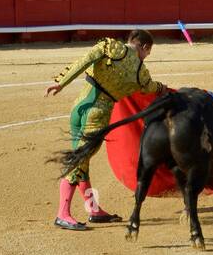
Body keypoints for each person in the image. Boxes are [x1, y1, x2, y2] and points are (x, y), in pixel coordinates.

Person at [46, 28, 166, 230]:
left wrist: (60, 83)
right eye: (147, 53)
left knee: (82, 161)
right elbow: (148, 87)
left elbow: (84, 60)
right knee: (79, 161)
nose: (145, 57)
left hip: (79, 106)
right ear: (144, 47)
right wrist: (162, 87)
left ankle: (93, 209)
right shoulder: (139, 70)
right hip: (98, 114)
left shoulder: (110, 45)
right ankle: (62, 213)